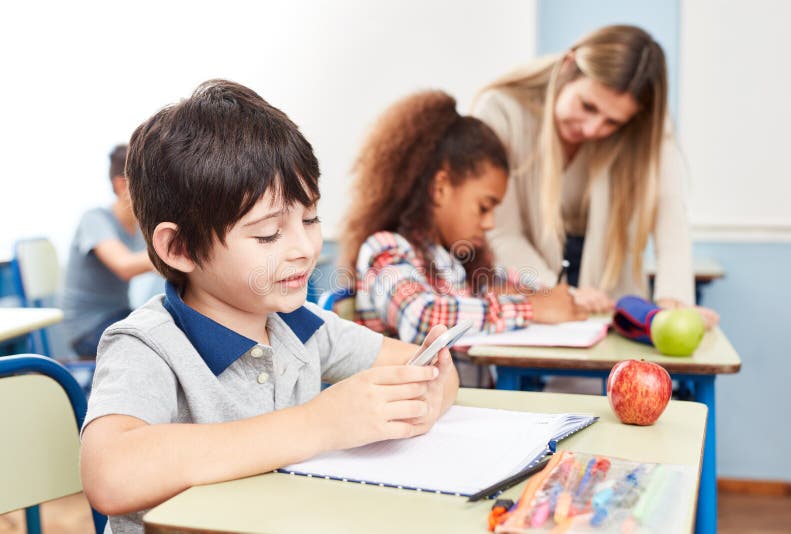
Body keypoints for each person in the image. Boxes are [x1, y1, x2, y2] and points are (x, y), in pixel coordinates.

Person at [79, 80, 459, 534]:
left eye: (311, 218)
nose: (304, 247)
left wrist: (427, 398)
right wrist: (317, 424)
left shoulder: (299, 324)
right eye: (267, 234)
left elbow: (426, 365)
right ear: (179, 247)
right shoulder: (148, 344)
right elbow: (111, 474)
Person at [473, 24, 718, 327]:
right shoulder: (500, 110)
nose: (591, 130)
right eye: (587, 106)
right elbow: (502, 232)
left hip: (608, 282)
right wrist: (557, 292)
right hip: (526, 273)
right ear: (568, 66)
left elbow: (670, 216)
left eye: (612, 123)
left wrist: (675, 302)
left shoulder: (646, 126)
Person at [338, 90, 587, 345]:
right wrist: (532, 308)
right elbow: (424, 318)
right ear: (441, 188)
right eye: (483, 207)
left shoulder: (457, 261)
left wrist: (567, 297)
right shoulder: (386, 250)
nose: (489, 224)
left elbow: (511, 283)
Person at [61, 144, 154, 358]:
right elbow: (124, 266)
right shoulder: (94, 219)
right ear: (122, 186)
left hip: (120, 314)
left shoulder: (141, 224)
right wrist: (176, 252)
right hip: (88, 327)